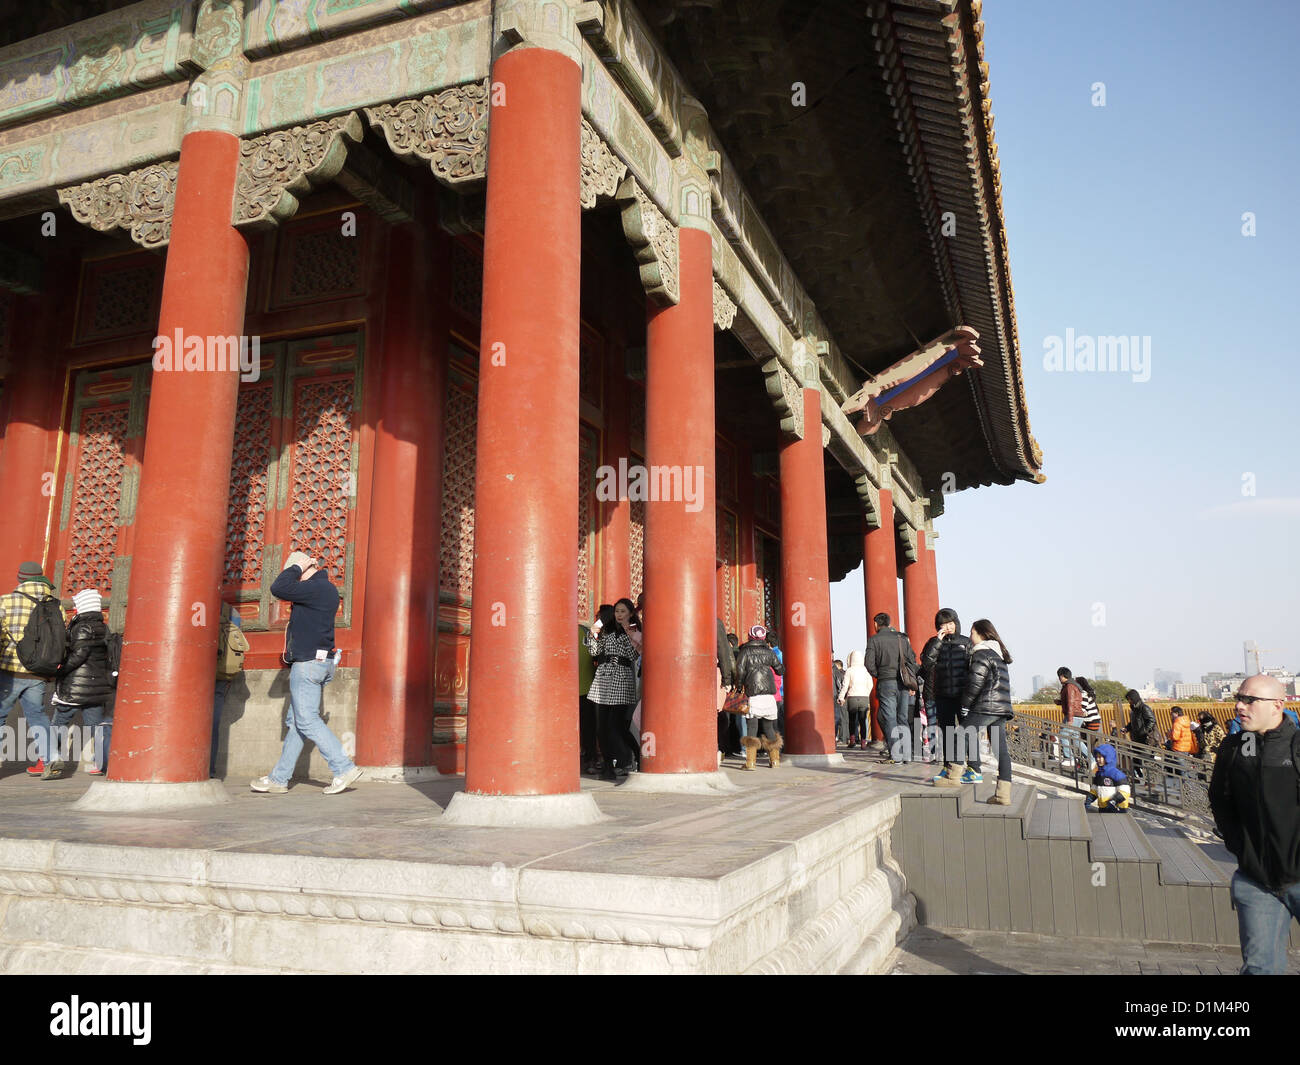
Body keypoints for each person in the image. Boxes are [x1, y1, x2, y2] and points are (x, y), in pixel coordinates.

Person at [1209, 674, 1300, 974]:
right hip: (1257, 880)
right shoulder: (1239, 746)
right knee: (1261, 968)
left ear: (1278, 704)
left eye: (1250, 700)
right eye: (1238, 697)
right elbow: (1221, 798)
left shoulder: (1295, 746)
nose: (1239, 706)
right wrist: (1239, 845)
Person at [250, 552, 362, 795]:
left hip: (309, 664)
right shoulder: (326, 589)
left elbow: (278, 587)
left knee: (307, 720)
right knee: (298, 723)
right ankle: (279, 778)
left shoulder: (314, 588)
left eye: (296, 570)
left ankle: (343, 767)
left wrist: (297, 567)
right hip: (321, 662)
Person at [0, 562, 62, 775]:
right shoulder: (55, 604)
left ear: (21, 578)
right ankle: (51, 758)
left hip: (9, 670)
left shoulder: (6, 601)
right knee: (37, 715)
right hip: (38, 671)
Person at [46, 589, 115, 778]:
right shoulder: (103, 626)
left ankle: (50, 758)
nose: (74, 608)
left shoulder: (83, 627)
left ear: (84, 606)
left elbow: (78, 655)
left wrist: (59, 670)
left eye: (77, 604)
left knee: (59, 723)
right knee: (96, 725)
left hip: (76, 685)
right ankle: (103, 763)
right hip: (96, 686)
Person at [945, 618, 1014, 802]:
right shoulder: (999, 654)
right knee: (1001, 751)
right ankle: (1003, 795)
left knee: (961, 733)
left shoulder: (981, 653)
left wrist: (965, 704)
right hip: (1002, 708)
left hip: (986, 705)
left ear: (981, 634)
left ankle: (953, 777)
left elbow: (975, 682)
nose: (970, 636)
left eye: (972, 632)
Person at [586, 603, 639, 781]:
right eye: (617, 611)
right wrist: (594, 632)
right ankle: (608, 765)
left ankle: (632, 758)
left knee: (616, 727)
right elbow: (594, 651)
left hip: (621, 678)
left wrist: (628, 629)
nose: (619, 614)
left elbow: (634, 654)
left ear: (630, 613)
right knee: (602, 728)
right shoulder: (606, 631)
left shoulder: (632, 629)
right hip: (603, 677)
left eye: (623, 611)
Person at [863, 612, 918, 763]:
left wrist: (879, 674)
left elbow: (869, 663)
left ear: (876, 624)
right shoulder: (902, 638)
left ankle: (896, 755)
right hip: (903, 683)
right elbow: (912, 660)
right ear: (889, 622)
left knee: (890, 718)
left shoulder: (874, 640)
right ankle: (907, 755)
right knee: (903, 718)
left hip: (886, 682)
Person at [928, 608, 972, 783]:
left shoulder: (967, 643)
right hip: (943, 695)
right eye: (943, 624)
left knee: (965, 732)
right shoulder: (934, 643)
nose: (948, 627)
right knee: (946, 733)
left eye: (951, 623)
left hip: (963, 696)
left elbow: (973, 669)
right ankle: (947, 768)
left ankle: (968, 767)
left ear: (956, 623)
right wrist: (937, 643)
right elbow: (926, 664)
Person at [734, 625, 783, 770]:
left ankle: (750, 762)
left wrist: (738, 687)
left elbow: (740, 670)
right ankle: (775, 760)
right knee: (768, 727)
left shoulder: (745, 651)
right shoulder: (769, 652)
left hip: (753, 694)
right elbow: (780, 670)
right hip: (769, 694)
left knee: (752, 727)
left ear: (750, 636)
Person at [212, 601, 248, 778]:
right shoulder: (231, 611)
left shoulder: (192, 606)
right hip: (221, 673)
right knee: (213, 723)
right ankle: (209, 769)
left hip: (193, 672)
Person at [838, 649, 873, 748]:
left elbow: (845, 686)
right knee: (863, 721)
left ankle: (852, 741)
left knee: (852, 720)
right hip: (864, 698)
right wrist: (866, 693)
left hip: (852, 697)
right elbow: (870, 684)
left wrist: (841, 697)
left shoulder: (849, 670)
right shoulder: (865, 671)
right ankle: (863, 742)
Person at [1084, 742, 1132, 812]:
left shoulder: (1116, 774)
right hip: (1103, 807)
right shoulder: (1099, 773)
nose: (1098, 759)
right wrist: (1089, 799)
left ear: (1108, 758)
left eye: (1100, 757)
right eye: (1097, 757)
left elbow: (1125, 791)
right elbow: (1095, 789)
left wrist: (1114, 801)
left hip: (1117, 809)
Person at [578, 621, 600, 774]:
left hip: (585, 689)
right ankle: (588, 759)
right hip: (573, 690)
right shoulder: (585, 632)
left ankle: (590, 758)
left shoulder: (586, 631)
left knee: (588, 728)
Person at [1054, 667, 1085, 770]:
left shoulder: (1069, 686)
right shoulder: (1073, 685)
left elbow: (1071, 703)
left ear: (1062, 676)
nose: (1059, 678)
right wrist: (1060, 702)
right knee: (1076, 739)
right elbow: (1071, 701)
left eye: (1059, 676)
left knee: (1063, 735)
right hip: (1078, 715)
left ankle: (1069, 758)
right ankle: (1092, 759)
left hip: (1073, 715)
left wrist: (1070, 719)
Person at [831, 658, 847, 745]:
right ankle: (833, 737)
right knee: (837, 718)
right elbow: (839, 683)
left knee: (836, 718)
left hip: (831, 696)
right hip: (834, 695)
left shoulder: (835, 669)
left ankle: (833, 737)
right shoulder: (835, 669)